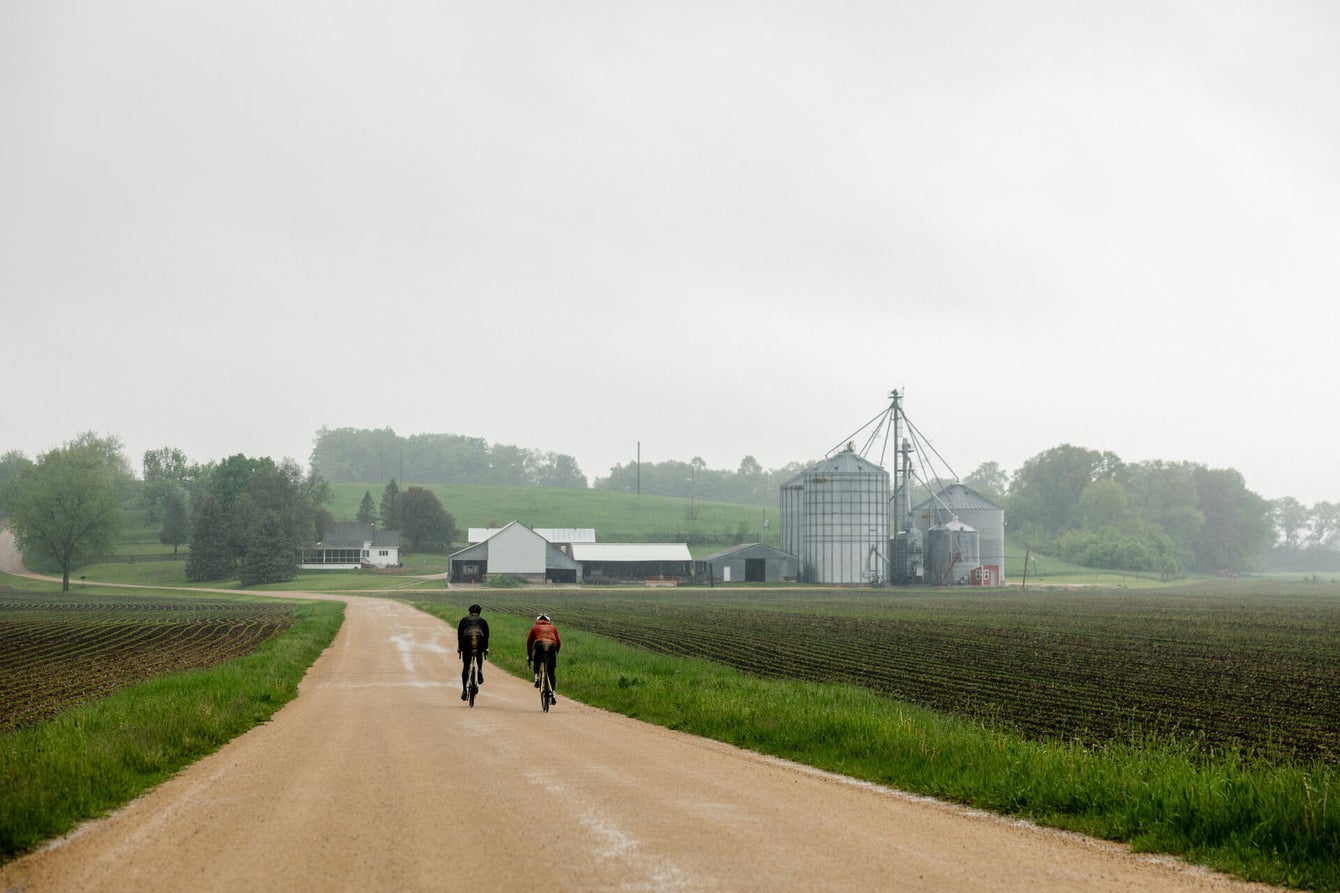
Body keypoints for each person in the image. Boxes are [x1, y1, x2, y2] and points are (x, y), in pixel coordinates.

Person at [456, 604, 489, 701]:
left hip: (466, 641)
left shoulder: (464, 620)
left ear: (469, 612)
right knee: (479, 654)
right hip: (479, 640)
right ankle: (480, 670)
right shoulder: (483, 621)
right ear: (479, 613)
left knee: (466, 667)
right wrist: (486, 648)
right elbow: (486, 636)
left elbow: (460, 635)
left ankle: (464, 690)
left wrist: (460, 647)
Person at [526, 612, 561, 704]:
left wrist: (530, 656)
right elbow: (559, 642)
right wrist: (555, 653)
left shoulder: (535, 627)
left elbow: (529, 642)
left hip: (539, 645)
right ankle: (553, 693)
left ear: (538, 620)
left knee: (537, 662)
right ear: (548, 620)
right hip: (552, 646)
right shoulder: (553, 628)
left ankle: (537, 677)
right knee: (551, 672)